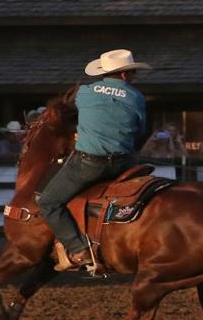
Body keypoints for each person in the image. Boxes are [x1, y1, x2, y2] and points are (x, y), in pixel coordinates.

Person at [38, 49, 150, 273]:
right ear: (125, 74)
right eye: (133, 72)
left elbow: (65, 115)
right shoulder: (136, 96)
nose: (134, 76)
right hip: (125, 162)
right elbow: (140, 131)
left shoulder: (85, 93)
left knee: (48, 202)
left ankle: (79, 249)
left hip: (89, 163)